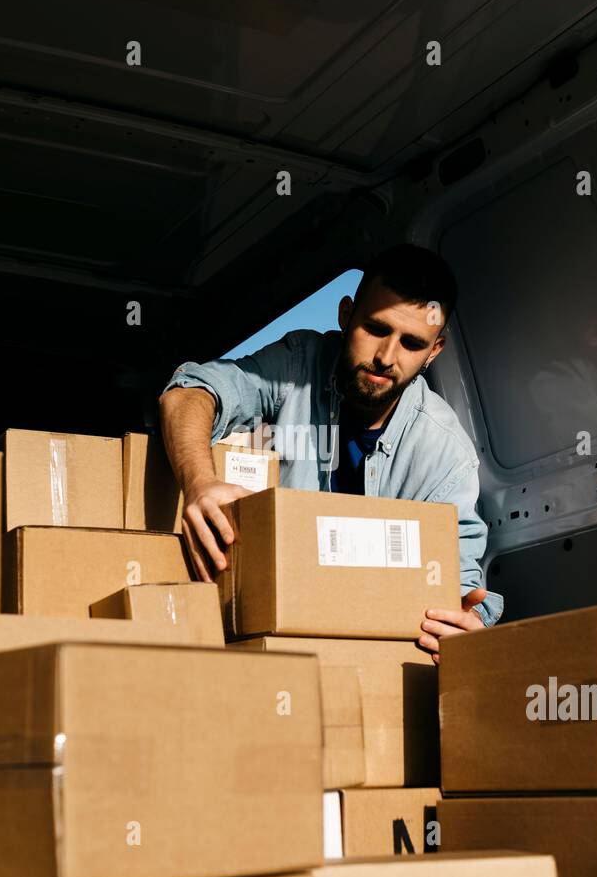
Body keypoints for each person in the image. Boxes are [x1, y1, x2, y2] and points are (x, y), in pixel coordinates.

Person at [159, 244, 503, 657]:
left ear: (434, 351)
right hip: (268, 623)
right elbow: (191, 391)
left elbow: (462, 583)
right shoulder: (299, 364)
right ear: (345, 316)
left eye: (411, 343)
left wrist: (470, 624)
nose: (385, 358)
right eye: (376, 329)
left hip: (369, 648)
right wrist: (199, 481)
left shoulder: (446, 453)